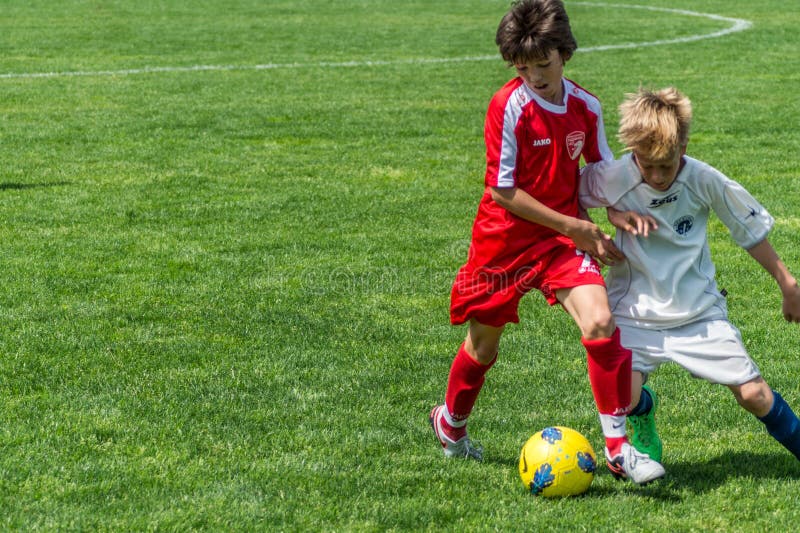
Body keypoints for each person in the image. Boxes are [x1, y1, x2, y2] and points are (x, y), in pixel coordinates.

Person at [428, 0, 665, 484]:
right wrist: (577, 227)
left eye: (544, 63)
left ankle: (618, 449)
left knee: (600, 321)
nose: (534, 76)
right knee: (482, 346)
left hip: (561, 242)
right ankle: (451, 425)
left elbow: (596, 176)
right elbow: (502, 190)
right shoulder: (508, 106)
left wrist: (613, 212)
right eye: (523, 67)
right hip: (505, 241)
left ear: (564, 54)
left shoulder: (586, 106)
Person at [579, 86, 800, 465]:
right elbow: (570, 195)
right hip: (634, 313)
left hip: (698, 313)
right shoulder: (615, 175)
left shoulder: (703, 179)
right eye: (646, 165)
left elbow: (748, 231)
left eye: (665, 165)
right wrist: (605, 223)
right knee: (622, 400)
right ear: (633, 153)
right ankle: (643, 413)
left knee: (754, 396)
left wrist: (787, 283)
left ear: (683, 147)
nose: (656, 175)